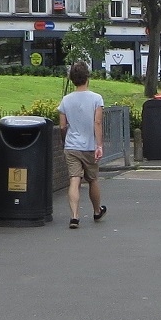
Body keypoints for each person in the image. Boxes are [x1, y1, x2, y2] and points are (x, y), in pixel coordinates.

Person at [57, 61, 106, 229]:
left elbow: (63, 126)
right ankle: (96, 210)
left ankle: (74, 216)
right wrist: (99, 145)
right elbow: (97, 123)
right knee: (92, 180)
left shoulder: (65, 100)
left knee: (74, 180)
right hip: (90, 147)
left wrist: (65, 140)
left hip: (71, 146)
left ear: (72, 79)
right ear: (87, 78)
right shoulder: (96, 98)